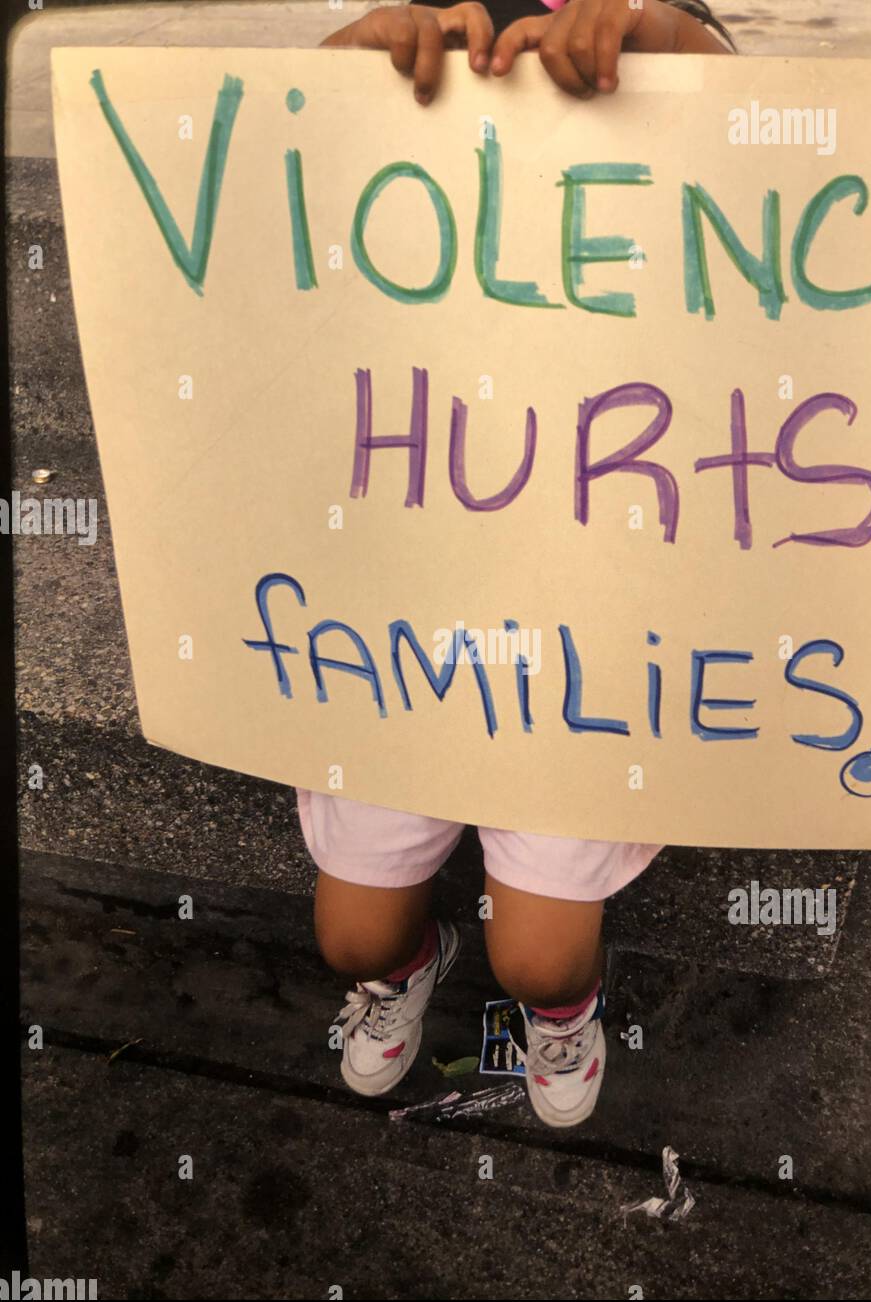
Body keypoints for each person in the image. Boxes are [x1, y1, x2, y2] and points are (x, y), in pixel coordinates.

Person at [301, 0, 733, 1129]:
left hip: (589, 622)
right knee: (351, 932)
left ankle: (558, 1007)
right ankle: (407, 969)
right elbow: (275, 156)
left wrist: (651, 32)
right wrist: (358, 51)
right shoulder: (418, 47)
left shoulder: (660, 34)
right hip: (406, 607)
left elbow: (757, 122)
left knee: (541, 961)